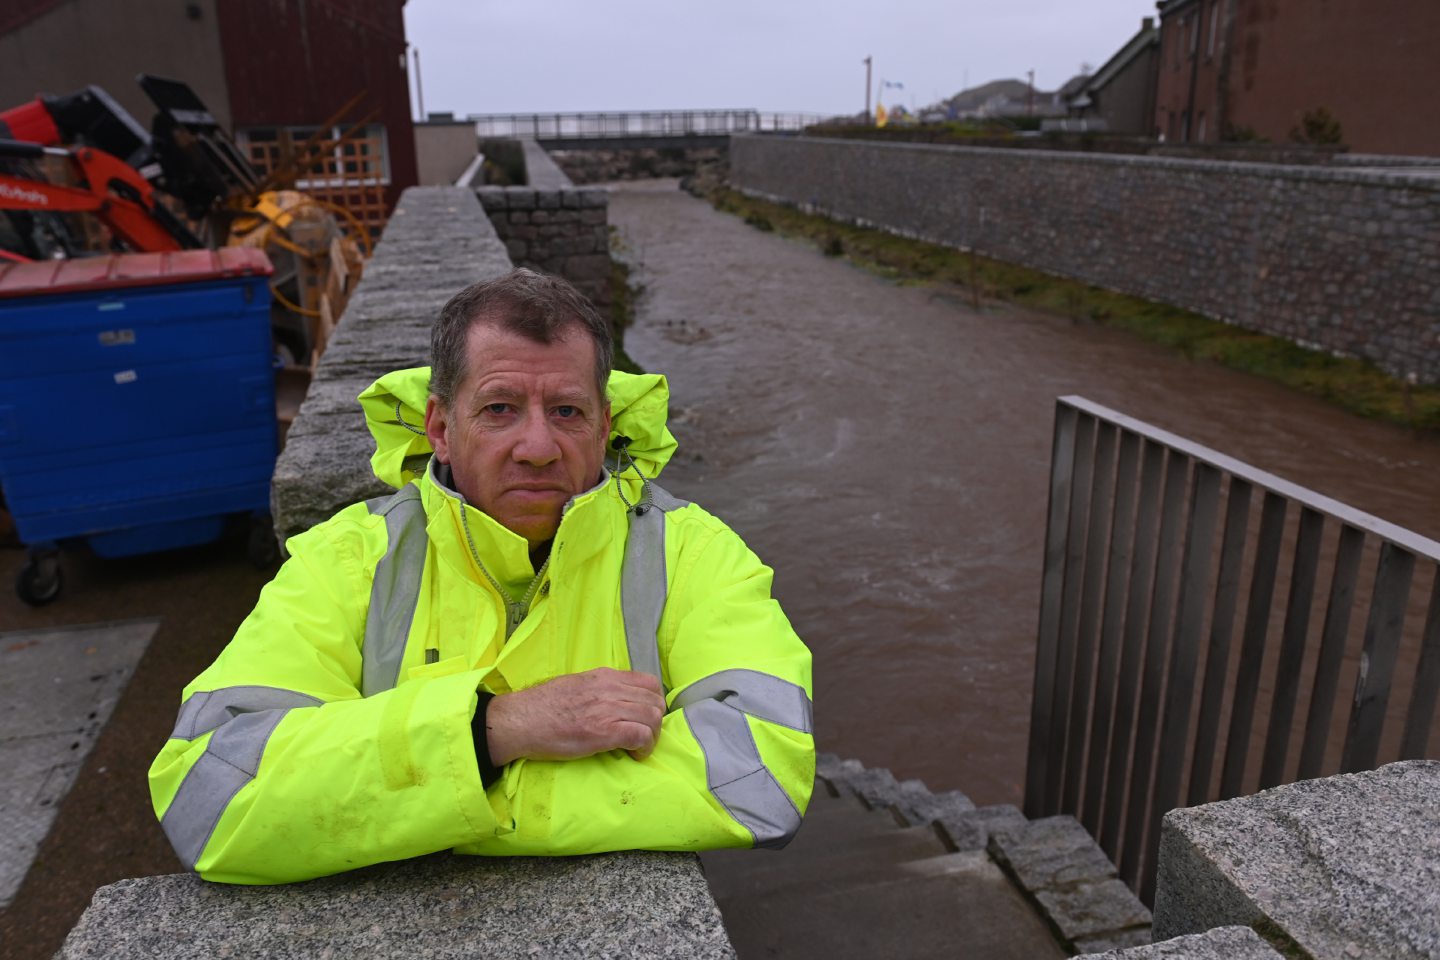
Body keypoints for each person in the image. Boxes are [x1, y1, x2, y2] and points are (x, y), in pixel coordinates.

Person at [148, 269, 814, 884]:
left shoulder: (693, 552)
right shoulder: (349, 558)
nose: (537, 447)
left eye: (567, 412)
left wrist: (431, 804)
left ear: (605, 424)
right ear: (441, 426)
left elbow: (759, 778)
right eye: (499, 409)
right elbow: (213, 790)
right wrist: (492, 731)